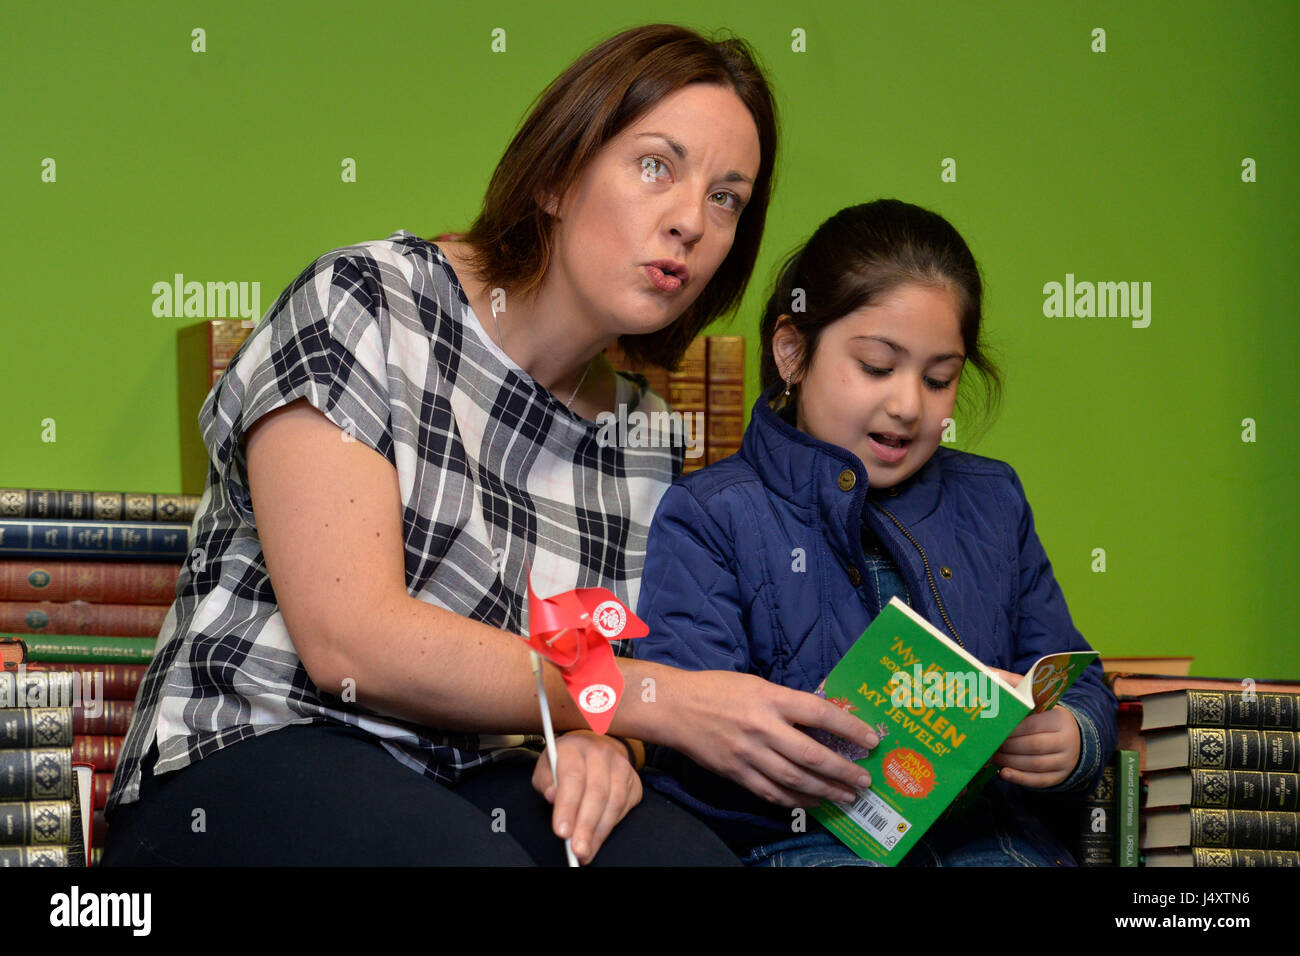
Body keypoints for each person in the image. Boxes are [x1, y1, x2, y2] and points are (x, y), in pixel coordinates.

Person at [102, 23, 879, 867]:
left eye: (727, 197)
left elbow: (605, 672)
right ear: (554, 176)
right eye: (657, 166)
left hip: (480, 777)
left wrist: (609, 747)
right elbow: (349, 643)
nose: (691, 220)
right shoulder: (365, 301)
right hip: (253, 751)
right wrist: (648, 703)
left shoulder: (650, 442)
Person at [633, 198, 1119, 866]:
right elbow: (680, 736)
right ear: (793, 350)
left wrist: (1072, 736)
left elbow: (1073, 671)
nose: (908, 405)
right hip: (803, 848)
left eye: (939, 378)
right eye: (876, 366)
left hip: (993, 848)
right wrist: (787, 754)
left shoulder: (992, 499)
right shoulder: (712, 514)